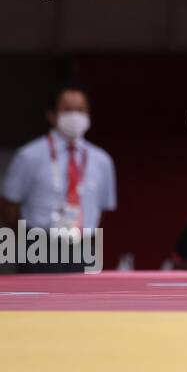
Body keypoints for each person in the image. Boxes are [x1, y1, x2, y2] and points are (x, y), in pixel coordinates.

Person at [1, 87, 117, 257]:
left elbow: (103, 211)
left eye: (80, 110)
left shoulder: (102, 160)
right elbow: (9, 206)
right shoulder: (29, 156)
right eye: (67, 110)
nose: (74, 116)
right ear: (51, 115)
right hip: (38, 247)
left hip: (83, 247)